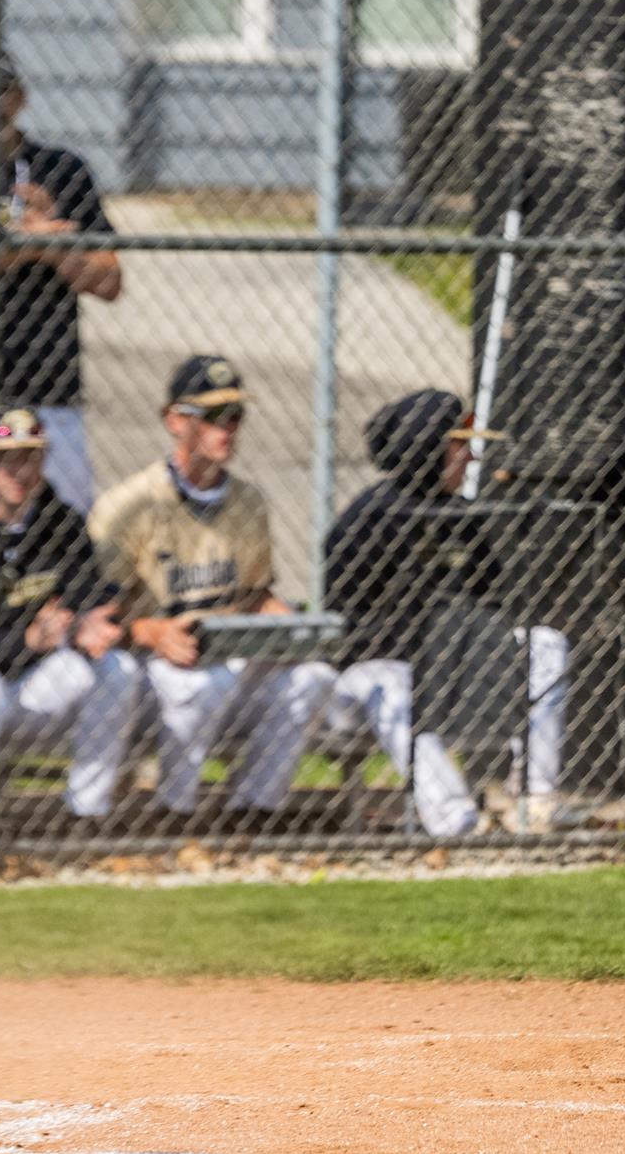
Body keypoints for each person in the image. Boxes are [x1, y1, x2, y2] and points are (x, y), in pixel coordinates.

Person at [76, 355, 336, 825]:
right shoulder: (130, 505)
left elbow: (255, 595)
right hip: (150, 672)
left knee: (313, 677)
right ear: (175, 421)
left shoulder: (249, 501)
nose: (227, 429)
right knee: (201, 683)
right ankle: (172, 813)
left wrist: (293, 629)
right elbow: (98, 615)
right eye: (213, 416)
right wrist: (153, 633)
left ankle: (252, 811)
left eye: (235, 416)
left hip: (225, 661)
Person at [322, 388, 570, 836]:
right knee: (391, 683)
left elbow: (494, 602)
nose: (472, 457)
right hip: (370, 677)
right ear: (427, 447)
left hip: (451, 669)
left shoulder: (462, 517)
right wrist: (423, 640)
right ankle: (455, 820)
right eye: (459, 446)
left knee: (547, 645)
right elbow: (344, 627)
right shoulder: (370, 518)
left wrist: (469, 643)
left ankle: (534, 800)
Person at [0, 54, 123, 513]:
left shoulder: (60, 170)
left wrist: (55, 248)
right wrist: (23, 245)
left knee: (64, 529)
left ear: (19, 98)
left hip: (49, 390)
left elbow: (110, 280)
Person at [0, 408, 123, 812]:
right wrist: (25, 638)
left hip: (39, 683)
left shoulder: (61, 522)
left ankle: (87, 811)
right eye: (7, 458)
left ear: (44, 459)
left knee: (117, 670)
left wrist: (80, 623)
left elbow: (88, 590)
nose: (19, 471)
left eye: (29, 457)